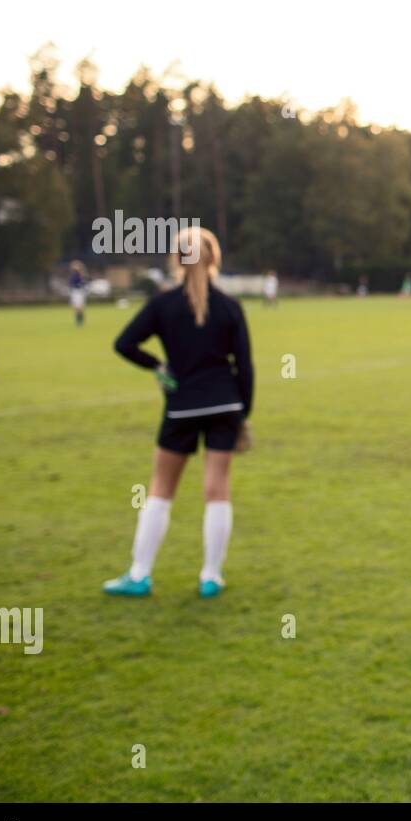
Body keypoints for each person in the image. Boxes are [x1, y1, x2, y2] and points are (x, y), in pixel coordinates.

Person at [106, 227, 254, 599]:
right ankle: (211, 576)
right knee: (217, 491)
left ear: (176, 261)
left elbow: (124, 344)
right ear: (214, 259)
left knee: (160, 490)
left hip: (182, 406)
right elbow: (246, 366)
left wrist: (157, 366)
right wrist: (243, 414)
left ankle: (140, 574)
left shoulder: (162, 304)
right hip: (224, 405)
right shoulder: (230, 307)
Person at [68, 260, 88, 326]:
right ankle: (79, 319)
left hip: (79, 292)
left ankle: (79, 321)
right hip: (74, 291)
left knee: (79, 307)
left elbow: (82, 283)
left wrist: (80, 285)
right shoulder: (73, 274)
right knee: (75, 307)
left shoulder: (80, 274)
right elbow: (71, 283)